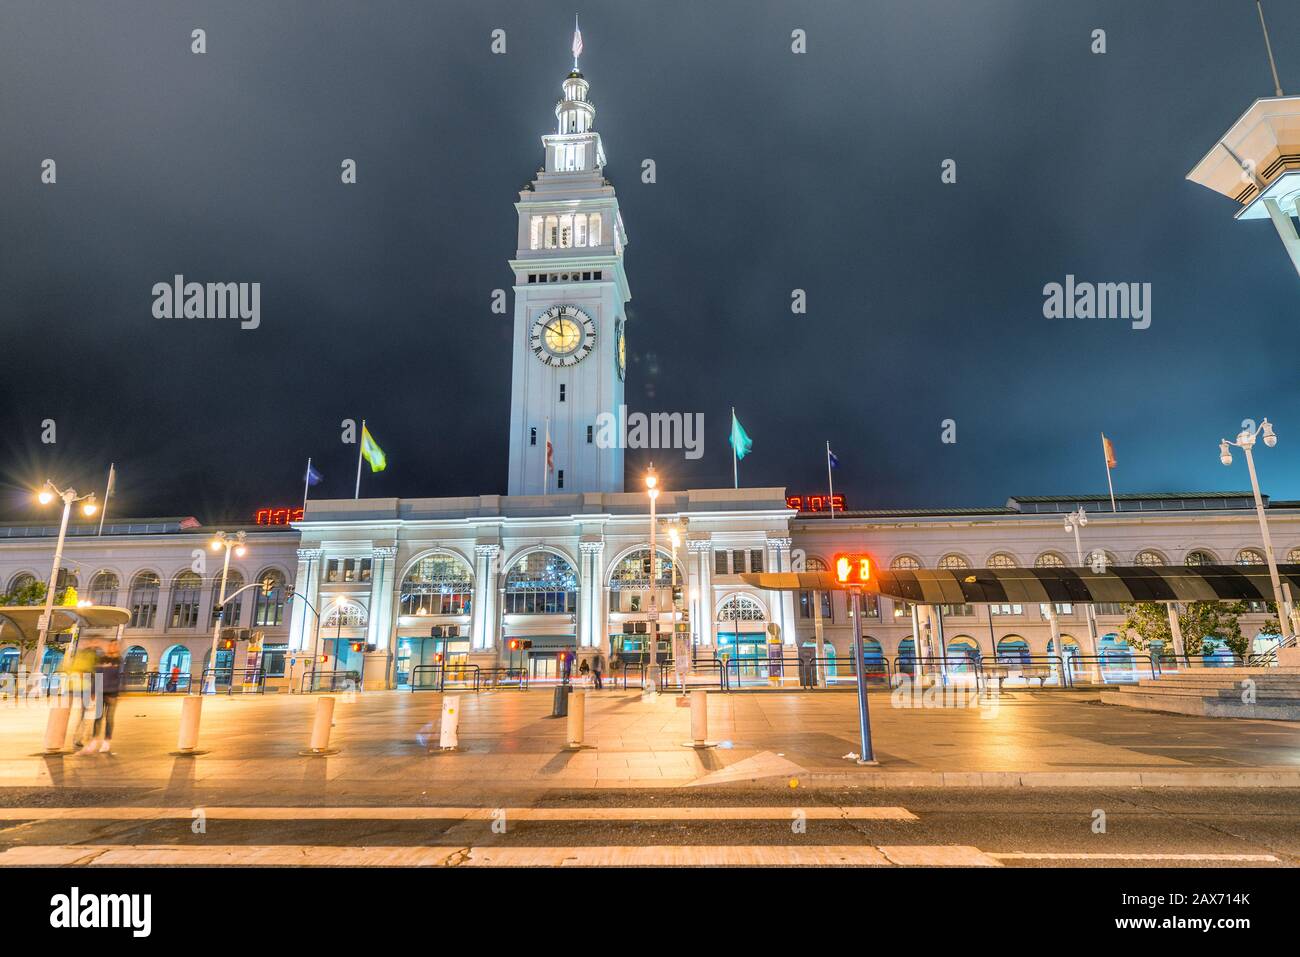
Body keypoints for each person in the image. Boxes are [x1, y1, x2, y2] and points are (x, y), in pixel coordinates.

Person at [79, 640, 122, 755]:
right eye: (111, 645)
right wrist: (93, 692)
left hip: (112, 693)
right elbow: (97, 675)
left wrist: (121, 691)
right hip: (100, 692)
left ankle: (106, 741)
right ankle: (94, 740)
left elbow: (122, 677)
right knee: (98, 717)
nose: (113, 647)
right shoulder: (102, 659)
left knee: (109, 718)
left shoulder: (119, 661)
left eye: (115, 645)